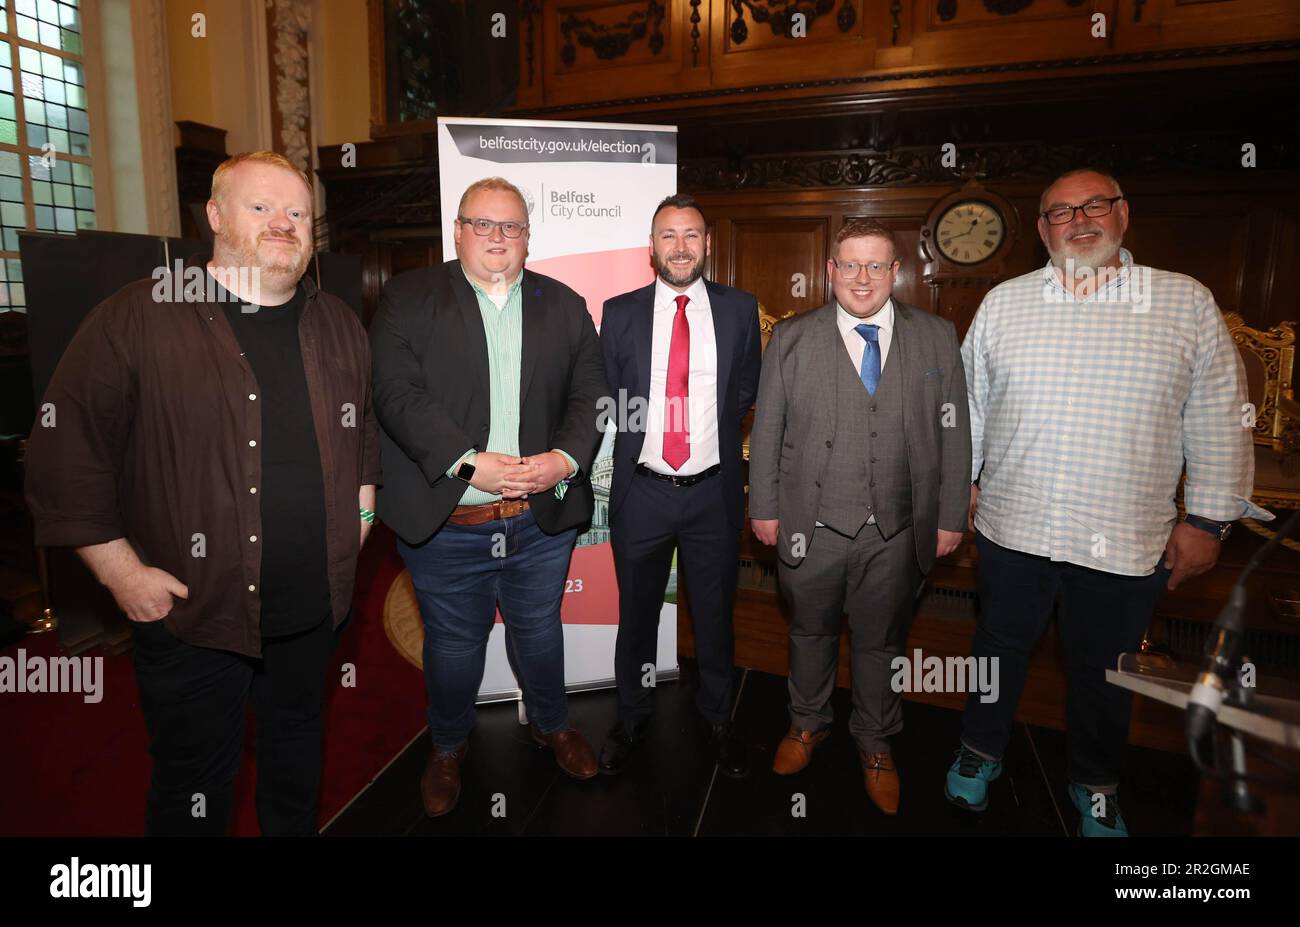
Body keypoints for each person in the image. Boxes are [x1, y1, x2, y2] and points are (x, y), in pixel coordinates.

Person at [26, 150, 380, 835]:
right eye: (262, 207)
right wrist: (122, 573)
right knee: (194, 784)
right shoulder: (137, 318)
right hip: (193, 619)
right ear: (214, 216)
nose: (284, 223)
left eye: (299, 212)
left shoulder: (337, 322)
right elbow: (63, 452)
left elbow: (361, 435)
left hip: (312, 611)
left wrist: (359, 521)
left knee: (295, 758)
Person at [947, 168, 1269, 836]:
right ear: (1042, 231)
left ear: (1123, 214)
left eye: (1095, 205)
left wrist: (1208, 519)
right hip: (1014, 525)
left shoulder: (1184, 303)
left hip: (1124, 536)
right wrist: (961, 483)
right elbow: (969, 407)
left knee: (1105, 670)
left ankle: (1095, 782)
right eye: (1060, 212)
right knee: (996, 650)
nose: (1079, 219)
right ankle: (978, 751)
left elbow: (1217, 416)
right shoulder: (1005, 303)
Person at [370, 176, 608, 817]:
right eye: (484, 224)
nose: (498, 237)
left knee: (538, 631)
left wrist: (564, 459)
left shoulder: (564, 304)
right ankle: (448, 747)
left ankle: (551, 725)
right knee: (452, 646)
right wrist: (468, 463)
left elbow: (592, 392)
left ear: (529, 237)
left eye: (512, 227)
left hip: (539, 517)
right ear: (458, 230)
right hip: (451, 520)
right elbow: (394, 394)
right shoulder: (409, 297)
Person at [748, 218, 971, 814]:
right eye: (849, 264)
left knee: (881, 642)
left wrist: (952, 514)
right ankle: (807, 724)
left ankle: (875, 741)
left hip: (898, 530)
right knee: (810, 631)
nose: (862, 277)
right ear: (830, 271)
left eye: (876, 265)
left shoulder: (937, 337)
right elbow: (767, 431)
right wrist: (763, 508)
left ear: (896, 272)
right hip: (811, 524)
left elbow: (956, 433)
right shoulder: (792, 339)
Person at [597, 193, 762, 778]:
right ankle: (632, 716)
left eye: (692, 234)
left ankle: (718, 718)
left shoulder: (741, 310)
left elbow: (745, 391)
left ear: (707, 244)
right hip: (642, 493)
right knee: (636, 615)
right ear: (652, 247)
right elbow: (612, 396)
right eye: (668, 235)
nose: (681, 246)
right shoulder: (619, 313)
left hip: (713, 494)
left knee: (715, 615)